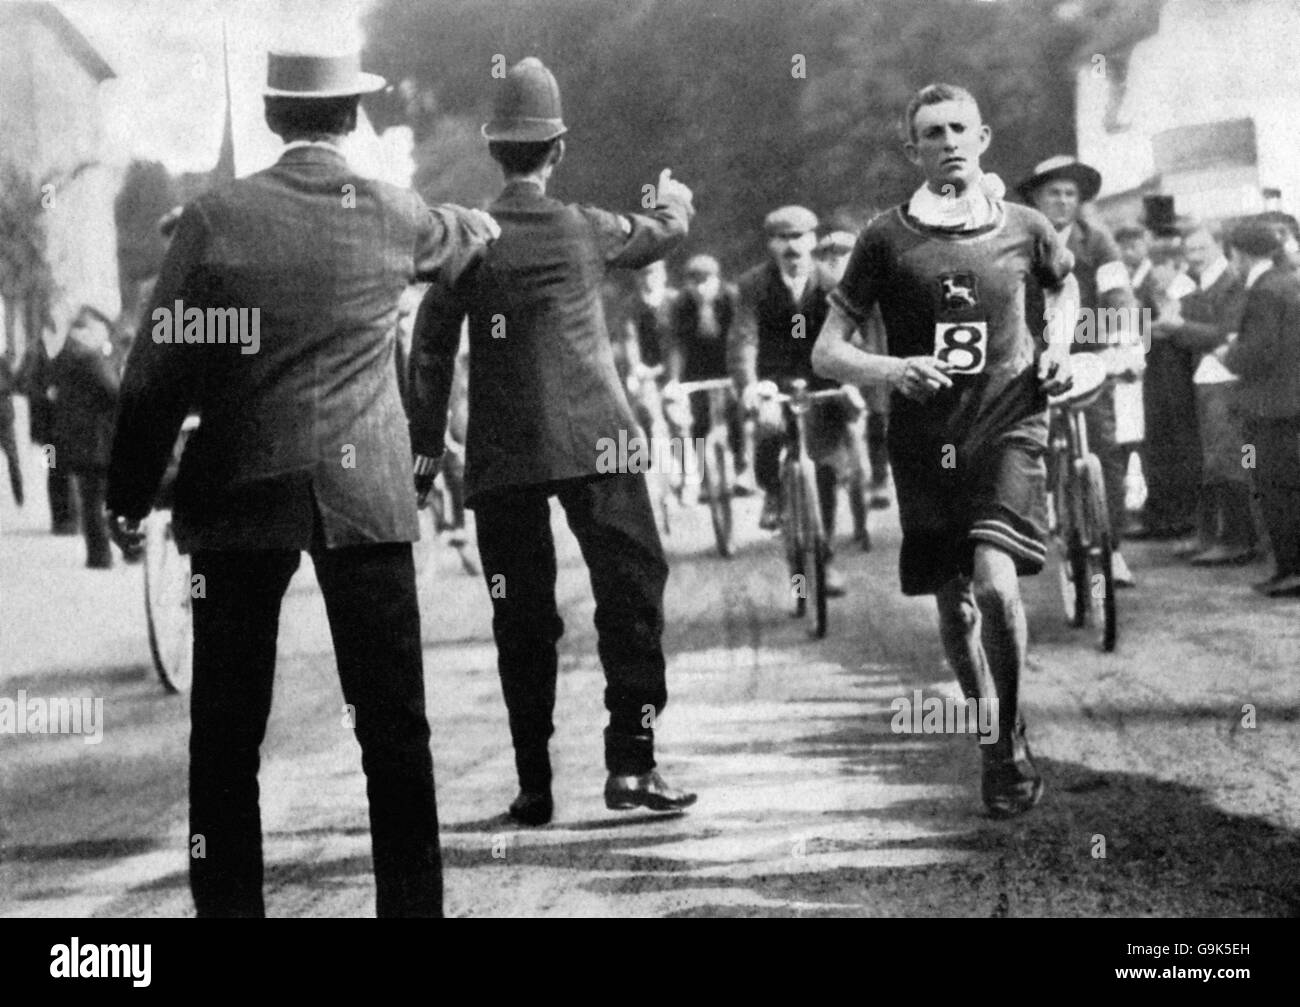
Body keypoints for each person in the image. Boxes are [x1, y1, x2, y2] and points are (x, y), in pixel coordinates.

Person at [105, 49, 497, 918]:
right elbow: (465, 235)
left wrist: (129, 496)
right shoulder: (396, 214)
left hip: (241, 497)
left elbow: (152, 377)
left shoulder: (214, 219)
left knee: (226, 739)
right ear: (350, 121)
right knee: (395, 732)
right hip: (369, 502)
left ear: (277, 120)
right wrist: (484, 221)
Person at [408, 57, 698, 827]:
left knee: (522, 617)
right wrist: (673, 202)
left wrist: (426, 453)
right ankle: (631, 765)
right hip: (598, 442)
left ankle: (534, 784)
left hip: (504, 457)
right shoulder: (585, 227)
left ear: (492, 149)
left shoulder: (469, 239)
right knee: (631, 597)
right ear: (558, 148)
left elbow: (431, 350)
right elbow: (663, 234)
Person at [812, 83, 1076, 818]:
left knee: (995, 584)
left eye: (961, 128)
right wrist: (893, 369)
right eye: (933, 132)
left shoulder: (1025, 226)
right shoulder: (884, 239)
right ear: (913, 150)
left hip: (1009, 424)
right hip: (925, 440)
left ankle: (1006, 732)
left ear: (984, 136)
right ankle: (989, 728)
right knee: (955, 606)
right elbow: (827, 353)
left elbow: (1065, 289)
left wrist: (1055, 345)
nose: (949, 140)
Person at [1018, 155, 1139, 587]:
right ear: (1035, 196)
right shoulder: (1019, 238)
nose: (1064, 201)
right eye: (1054, 192)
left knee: (1104, 448)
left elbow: (1119, 295)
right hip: (1032, 350)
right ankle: (1034, 521)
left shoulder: (1097, 240)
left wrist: (1126, 344)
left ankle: (1114, 548)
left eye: (1071, 194)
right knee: (1026, 444)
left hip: (1088, 349)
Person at [734, 205, 861, 595]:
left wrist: (853, 380)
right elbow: (744, 339)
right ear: (771, 244)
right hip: (774, 380)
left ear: (812, 240)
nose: (792, 246)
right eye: (782, 238)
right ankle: (772, 491)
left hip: (821, 379)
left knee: (824, 470)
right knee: (770, 430)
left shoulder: (830, 283)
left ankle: (825, 563)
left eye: (799, 237)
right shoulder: (753, 285)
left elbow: (847, 337)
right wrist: (751, 385)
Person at [1162, 224, 1254, 565]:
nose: (1194, 257)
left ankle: (1237, 540)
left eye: (1201, 249)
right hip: (1204, 378)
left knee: (1231, 458)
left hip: (1226, 378)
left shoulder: (1232, 282)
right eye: (1190, 251)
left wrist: (1179, 328)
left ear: (1219, 245)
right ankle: (1212, 535)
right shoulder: (1192, 282)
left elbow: (1225, 333)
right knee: (1210, 459)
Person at [1219, 219, 1300, 597]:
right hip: (1285, 408)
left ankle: (1290, 569)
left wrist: (1228, 353)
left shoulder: (1265, 291)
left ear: (1239, 253)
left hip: (1267, 411)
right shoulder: (1288, 281)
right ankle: (1286, 567)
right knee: (1284, 487)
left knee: (1271, 488)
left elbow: (1257, 353)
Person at [665, 253, 745, 499]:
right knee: (697, 421)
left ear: (717, 280)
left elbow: (742, 337)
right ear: (687, 284)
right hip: (696, 369)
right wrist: (674, 380)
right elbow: (676, 345)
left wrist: (740, 374)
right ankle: (701, 480)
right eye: (694, 283)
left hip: (728, 364)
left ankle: (742, 468)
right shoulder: (680, 304)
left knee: (736, 413)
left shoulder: (731, 297)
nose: (701, 289)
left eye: (706, 282)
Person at [48, 307, 120, 568]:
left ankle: (95, 552)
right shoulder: (90, 358)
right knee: (99, 498)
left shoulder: (64, 357)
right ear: (86, 331)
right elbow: (114, 392)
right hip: (97, 440)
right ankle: (105, 553)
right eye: (100, 330)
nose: (104, 335)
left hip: (72, 439)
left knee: (89, 497)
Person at [16, 324, 78, 534]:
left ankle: (70, 518)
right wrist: (45, 394)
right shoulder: (35, 354)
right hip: (47, 430)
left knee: (68, 470)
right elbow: (22, 384)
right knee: (53, 471)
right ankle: (60, 520)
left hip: (67, 427)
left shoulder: (68, 352)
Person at [0, 355, 23, 508]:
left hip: (4, 418)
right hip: (5, 415)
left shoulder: (2, 362)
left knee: (13, 459)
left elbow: (15, 383)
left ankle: (18, 494)